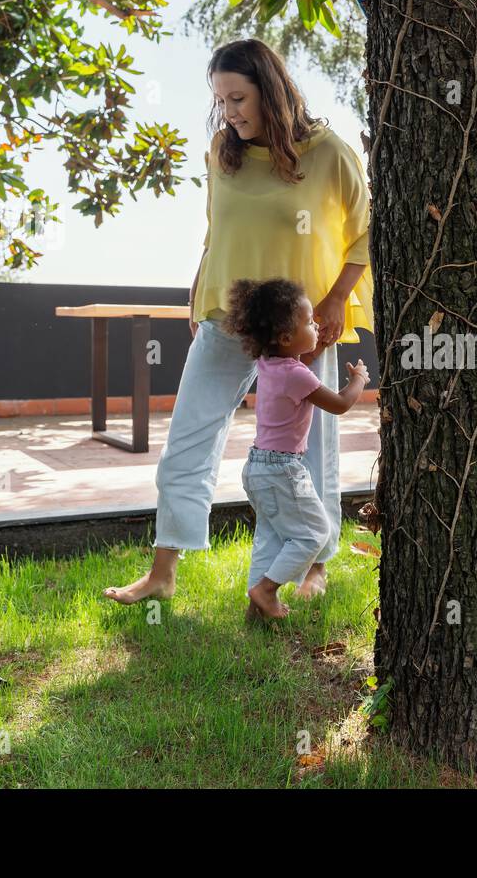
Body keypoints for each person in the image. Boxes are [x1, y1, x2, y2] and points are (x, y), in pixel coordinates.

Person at [104, 38, 373, 606]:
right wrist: (199, 289)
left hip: (298, 328)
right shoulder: (220, 154)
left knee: (311, 447)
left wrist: (334, 302)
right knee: (187, 440)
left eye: (239, 97)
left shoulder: (327, 153)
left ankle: (313, 565)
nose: (230, 112)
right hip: (226, 320)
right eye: (221, 101)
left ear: (270, 91)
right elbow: (214, 231)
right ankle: (162, 572)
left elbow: (365, 231)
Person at [222, 278, 370, 620]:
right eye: (308, 322)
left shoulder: (269, 363)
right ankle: (266, 590)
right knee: (315, 533)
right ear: (286, 338)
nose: (315, 324)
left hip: (258, 467)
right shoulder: (298, 376)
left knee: (271, 538)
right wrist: (359, 380)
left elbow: (299, 360)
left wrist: (313, 345)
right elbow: (339, 404)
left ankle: (255, 613)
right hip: (283, 471)